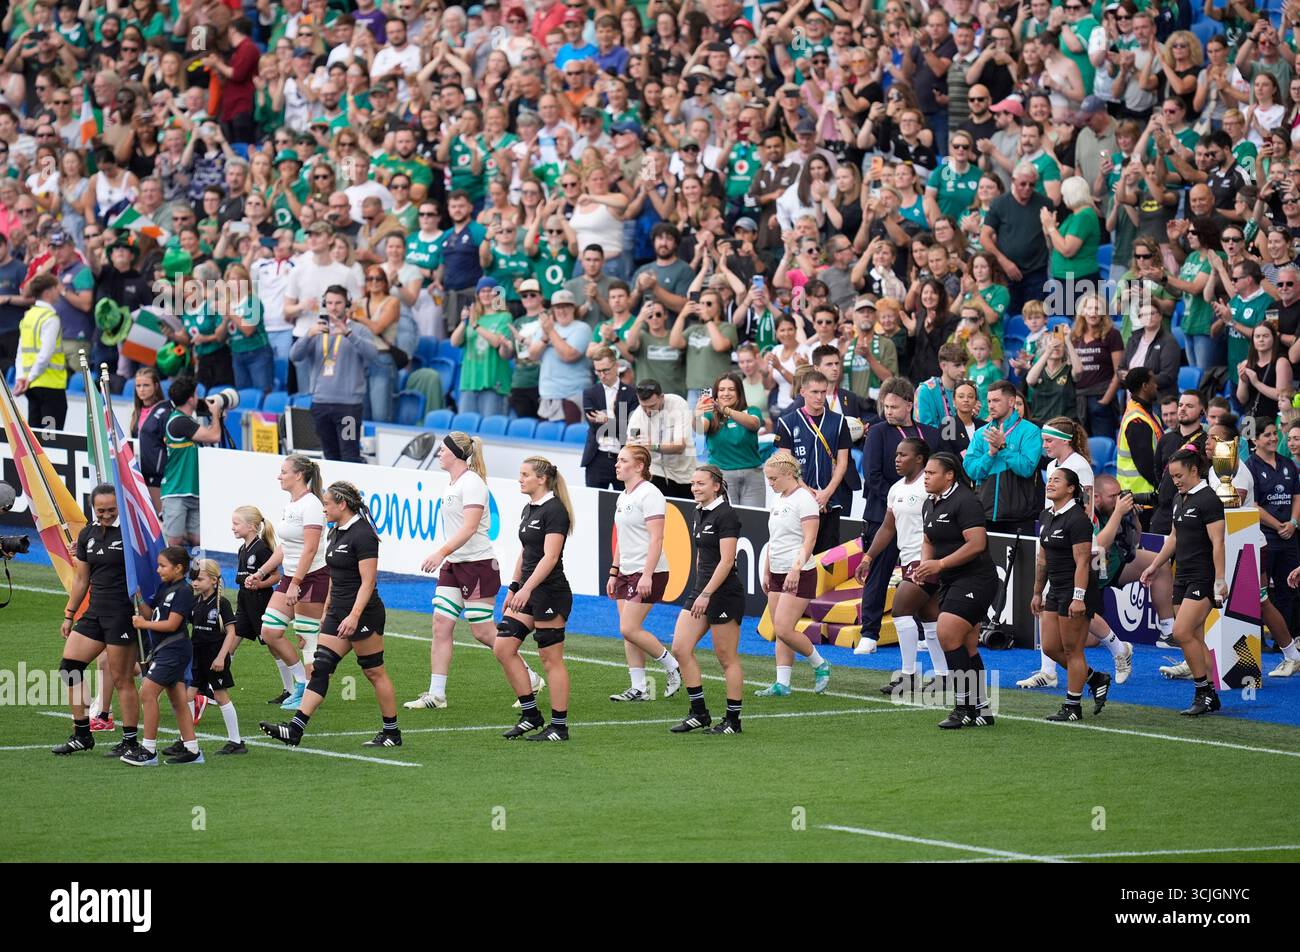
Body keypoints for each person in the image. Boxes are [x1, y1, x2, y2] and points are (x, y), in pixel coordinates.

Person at [406, 432, 544, 710]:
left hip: (478, 566)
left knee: (482, 631)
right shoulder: (454, 483)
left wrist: (440, 552)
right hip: (455, 565)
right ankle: (437, 694)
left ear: (456, 453)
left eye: (443, 450)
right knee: (440, 625)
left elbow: (469, 528)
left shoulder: (472, 484)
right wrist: (447, 556)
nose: (438, 454)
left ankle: (529, 677)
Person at [261, 481, 402, 749]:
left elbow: (368, 582)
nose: (323, 508)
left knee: (374, 672)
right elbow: (335, 578)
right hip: (337, 612)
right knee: (321, 667)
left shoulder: (363, 535)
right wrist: (327, 610)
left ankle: (391, 732)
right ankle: (295, 729)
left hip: (363, 614)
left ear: (342, 505)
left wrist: (354, 615)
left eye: (327, 504)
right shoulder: (335, 531)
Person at [49, 486, 142, 758]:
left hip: (121, 615)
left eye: (112, 510)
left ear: (120, 508)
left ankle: (130, 741)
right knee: (69, 667)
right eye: (100, 510)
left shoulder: (129, 534)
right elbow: (81, 579)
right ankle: (81, 734)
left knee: (122, 678)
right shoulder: (87, 533)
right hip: (94, 614)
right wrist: (69, 613)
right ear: (93, 508)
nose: (106, 515)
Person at [856, 437, 950, 691]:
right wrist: (868, 557)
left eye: (903, 455)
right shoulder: (896, 488)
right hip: (908, 559)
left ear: (919, 459)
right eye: (896, 455)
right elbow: (888, 528)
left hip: (926, 560)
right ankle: (943, 675)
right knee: (929, 618)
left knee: (900, 610)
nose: (897, 459)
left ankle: (908, 675)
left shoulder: (928, 486)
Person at [858, 377, 942, 654]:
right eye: (885, 406)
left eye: (894, 406)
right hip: (882, 515)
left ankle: (922, 632)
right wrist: (901, 501)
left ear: (910, 404)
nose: (888, 411)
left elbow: (938, 475)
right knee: (877, 575)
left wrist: (920, 507)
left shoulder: (930, 434)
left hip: (920, 523)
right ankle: (869, 633)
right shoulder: (879, 432)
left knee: (920, 576)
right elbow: (872, 476)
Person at [1140, 448, 1227, 717]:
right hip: (1183, 576)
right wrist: (1154, 565)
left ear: (1194, 470)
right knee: (1195, 638)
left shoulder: (1210, 500)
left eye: (1179, 475)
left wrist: (1220, 580)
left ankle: (1203, 691)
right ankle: (1211, 693)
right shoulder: (1180, 498)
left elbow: (1218, 542)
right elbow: (1174, 539)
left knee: (1181, 632)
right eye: (1172, 476)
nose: (1175, 480)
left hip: (1203, 576)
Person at [494, 456, 575, 742]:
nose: (520, 479)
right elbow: (525, 553)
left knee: (550, 659)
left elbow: (550, 557)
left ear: (541, 479)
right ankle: (531, 715)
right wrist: (514, 587)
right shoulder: (529, 507)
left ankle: (559, 726)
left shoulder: (555, 511)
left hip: (550, 592)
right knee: (503, 647)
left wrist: (527, 589)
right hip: (528, 589)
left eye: (525, 474)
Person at [915, 452, 999, 729]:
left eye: (931, 473)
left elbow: (976, 544)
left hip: (976, 578)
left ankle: (963, 708)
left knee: (947, 633)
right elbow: (928, 538)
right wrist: (925, 565)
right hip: (950, 580)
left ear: (949, 475)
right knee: (968, 645)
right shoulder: (930, 503)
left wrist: (939, 564)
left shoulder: (966, 502)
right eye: (925, 473)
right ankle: (983, 709)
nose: (925, 477)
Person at [246, 455, 329, 711]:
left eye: (283, 472)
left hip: (311, 577)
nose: (279, 476)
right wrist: (261, 572)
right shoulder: (292, 504)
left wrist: (296, 582)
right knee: (269, 631)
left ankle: (309, 691)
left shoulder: (312, 505)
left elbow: (311, 548)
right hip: (293, 577)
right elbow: (286, 546)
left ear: (299, 475)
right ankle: (302, 683)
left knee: (306, 638)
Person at [669, 465, 746, 735]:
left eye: (700, 483)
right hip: (702, 591)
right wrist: (699, 590)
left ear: (716, 486)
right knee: (680, 647)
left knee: (726, 657)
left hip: (723, 594)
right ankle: (699, 712)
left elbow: (727, 561)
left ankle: (733, 721)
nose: (694, 488)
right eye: (692, 483)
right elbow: (704, 556)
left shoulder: (726, 516)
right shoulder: (698, 511)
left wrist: (706, 593)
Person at [1031, 467, 1111, 722]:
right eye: (1049, 480)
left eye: (1057, 480)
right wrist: (1036, 592)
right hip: (1054, 590)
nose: (1050, 483)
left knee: (1072, 649)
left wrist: (1078, 598)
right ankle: (1095, 678)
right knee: (1053, 648)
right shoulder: (1046, 515)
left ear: (1071, 488)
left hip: (1076, 591)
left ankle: (1072, 705)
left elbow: (1083, 563)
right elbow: (1042, 559)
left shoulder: (1078, 519)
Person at [751, 450, 833, 698]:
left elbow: (810, 539)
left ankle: (820, 664)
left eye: (773, 478)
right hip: (776, 570)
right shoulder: (779, 499)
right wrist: (766, 567)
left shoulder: (804, 499)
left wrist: (796, 568)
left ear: (788, 474)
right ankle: (782, 683)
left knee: (785, 628)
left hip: (798, 572)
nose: (770, 483)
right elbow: (774, 538)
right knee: (779, 630)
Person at [606, 445, 682, 702]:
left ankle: (672, 665)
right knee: (628, 629)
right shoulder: (623, 495)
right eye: (617, 460)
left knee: (629, 627)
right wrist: (614, 571)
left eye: (623, 460)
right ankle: (638, 687)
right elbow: (622, 539)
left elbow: (657, 538)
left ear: (639, 466)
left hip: (648, 571)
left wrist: (647, 575)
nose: (617, 464)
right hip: (626, 571)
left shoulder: (650, 494)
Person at [121, 547, 203, 765]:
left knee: (147, 693)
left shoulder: (184, 591)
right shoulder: (165, 587)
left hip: (173, 650)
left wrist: (143, 624)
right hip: (166, 650)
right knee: (178, 700)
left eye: (163, 565)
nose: (158, 570)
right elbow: (153, 614)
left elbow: (172, 624)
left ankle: (149, 750)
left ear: (178, 568)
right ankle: (193, 750)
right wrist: (139, 600)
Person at [291, 285, 377, 463]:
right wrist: (307, 335)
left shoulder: (358, 330)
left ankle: (349, 492)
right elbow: (294, 356)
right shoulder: (317, 330)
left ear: (347, 304)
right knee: (329, 455)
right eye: (329, 303)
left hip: (349, 406)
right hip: (320, 404)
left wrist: (349, 334)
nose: (333, 307)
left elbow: (373, 354)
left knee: (350, 455)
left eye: (338, 302)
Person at [774, 369, 853, 553]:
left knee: (827, 560)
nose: (820, 397)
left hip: (830, 502)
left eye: (823, 392)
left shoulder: (839, 421)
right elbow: (786, 464)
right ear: (803, 392)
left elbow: (842, 463)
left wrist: (826, 494)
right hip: (799, 501)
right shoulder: (787, 422)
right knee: (800, 558)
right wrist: (809, 493)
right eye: (814, 392)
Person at [1245, 421, 1300, 678]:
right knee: (1263, 595)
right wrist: (1278, 524)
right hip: (1266, 538)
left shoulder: (1288, 464)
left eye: (1273, 433)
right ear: (1254, 440)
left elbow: (1297, 496)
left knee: (1289, 590)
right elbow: (1252, 505)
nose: (1272, 438)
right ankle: (1265, 645)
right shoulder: (1250, 467)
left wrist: (1293, 523)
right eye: (1266, 435)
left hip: (1289, 536)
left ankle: (1287, 646)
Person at [230, 505, 294, 704]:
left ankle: (291, 689)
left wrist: (260, 584)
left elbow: (276, 576)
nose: (232, 527)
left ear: (251, 527)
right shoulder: (242, 548)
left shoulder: (261, 549)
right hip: (244, 602)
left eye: (236, 523)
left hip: (260, 603)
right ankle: (215, 687)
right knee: (230, 642)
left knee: (273, 646)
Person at [963, 381, 1045, 534]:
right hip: (986, 515)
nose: (991, 406)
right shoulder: (981, 433)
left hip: (1019, 518)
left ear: (1011, 402)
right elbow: (971, 471)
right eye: (988, 401)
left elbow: (1027, 468)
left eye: (996, 400)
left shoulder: (1030, 431)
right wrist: (990, 454)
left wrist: (1003, 448)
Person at [182, 559, 245, 755]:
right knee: (189, 696)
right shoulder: (195, 601)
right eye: (193, 579)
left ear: (214, 581)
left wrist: (221, 657)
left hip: (215, 657)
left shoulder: (222, 604)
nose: (195, 583)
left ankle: (236, 741)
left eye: (200, 579)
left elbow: (231, 632)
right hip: (198, 655)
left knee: (220, 695)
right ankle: (185, 740)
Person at [160, 375, 226, 548]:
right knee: (174, 542)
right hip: (177, 491)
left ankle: (195, 574)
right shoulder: (179, 421)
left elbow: (209, 434)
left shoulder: (186, 421)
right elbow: (215, 436)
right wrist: (215, 415)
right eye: (196, 395)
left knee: (197, 541)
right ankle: (173, 575)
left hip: (192, 490)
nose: (199, 399)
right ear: (190, 399)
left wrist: (215, 417)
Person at [694, 371, 766, 508]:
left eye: (731, 389)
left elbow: (754, 424)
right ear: (716, 393)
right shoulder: (710, 415)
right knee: (727, 522)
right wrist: (697, 414)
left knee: (754, 520)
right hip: (722, 475)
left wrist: (725, 410)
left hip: (752, 475)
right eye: (721, 390)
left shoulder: (752, 410)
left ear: (739, 392)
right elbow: (699, 430)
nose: (726, 393)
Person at [12, 273, 67, 430]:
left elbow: (20, 352)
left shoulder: (28, 316)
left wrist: (22, 377)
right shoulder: (50, 318)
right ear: (48, 292)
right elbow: (45, 354)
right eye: (56, 288)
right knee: (51, 440)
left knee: (36, 438)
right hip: (50, 386)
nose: (59, 291)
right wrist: (29, 378)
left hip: (32, 387)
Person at [627, 377, 697, 499]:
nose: (648, 411)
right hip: (656, 471)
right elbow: (632, 448)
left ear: (662, 397)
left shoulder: (678, 404)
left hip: (684, 473)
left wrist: (652, 446)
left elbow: (680, 446)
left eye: (652, 405)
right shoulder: (636, 418)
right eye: (644, 406)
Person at [580, 346, 637, 490]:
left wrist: (607, 421)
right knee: (593, 504)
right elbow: (595, 426)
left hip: (623, 457)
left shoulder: (632, 393)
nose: (602, 375)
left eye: (606, 370)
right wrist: (617, 424)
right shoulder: (590, 393)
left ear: (616, 366)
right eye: (598, 371)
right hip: (597, 457)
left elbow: (631, 428)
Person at [1115, 367, 1164, 507]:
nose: (1156, 385)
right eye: (1153, 381)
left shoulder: (1146, 414)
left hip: (1142, 495)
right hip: (1141, 498)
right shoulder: (1137, 420)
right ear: (1145, 386)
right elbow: (1146, 464)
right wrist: (1162, 486)